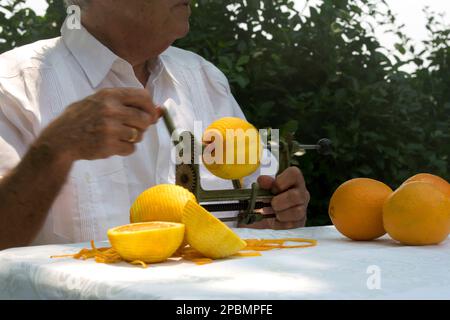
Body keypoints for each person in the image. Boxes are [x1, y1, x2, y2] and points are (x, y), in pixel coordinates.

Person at [0, 0, 310, 250]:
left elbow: (257, 212)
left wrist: (278, 212)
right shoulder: (11, 87)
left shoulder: (205, 78)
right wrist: (54, 150)